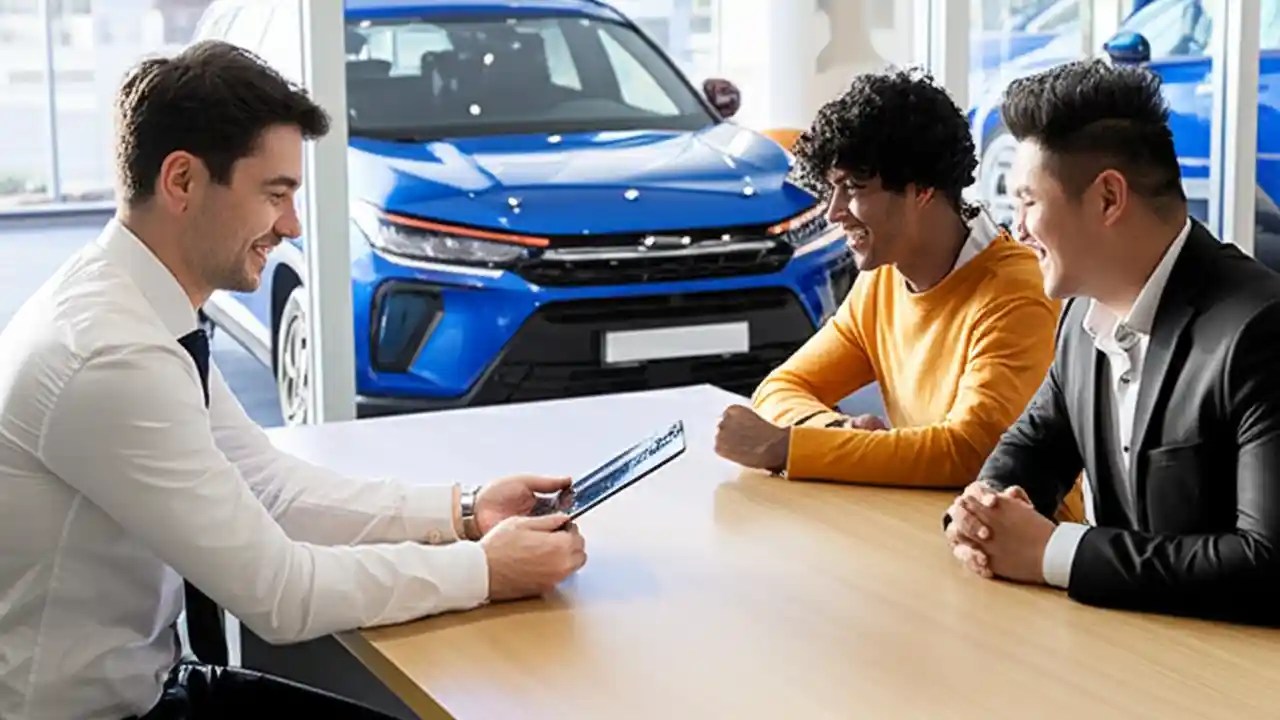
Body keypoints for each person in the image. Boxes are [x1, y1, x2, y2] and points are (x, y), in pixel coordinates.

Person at [0, 41, 587, 720]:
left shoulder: (135, 311)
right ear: (183, 182)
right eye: (274, 195)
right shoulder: (109, 354)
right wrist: (486, 571)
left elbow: (269, 486)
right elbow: (277, 592)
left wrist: (462, 510)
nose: (292, 225)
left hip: (153, 689)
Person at [944, 59, 1280, 626]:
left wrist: (1051, 553)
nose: (1016, 229)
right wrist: (983, 510)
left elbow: (1267, 564)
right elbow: (1031, 450)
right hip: (1124, 650)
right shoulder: (1081, 316)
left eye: (1027, 201)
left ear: (1107, 199)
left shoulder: (1259, 329)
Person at [713, 68, 1066, 496]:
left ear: (922, 190)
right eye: (832, 189)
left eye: (854, 188)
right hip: (917, 524)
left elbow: (972, 451)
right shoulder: (882, 279)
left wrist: (784, 448)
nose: (833, 212)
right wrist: (840, 431)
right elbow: (784, 386)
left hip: (1014, 546)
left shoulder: (1016, 292)